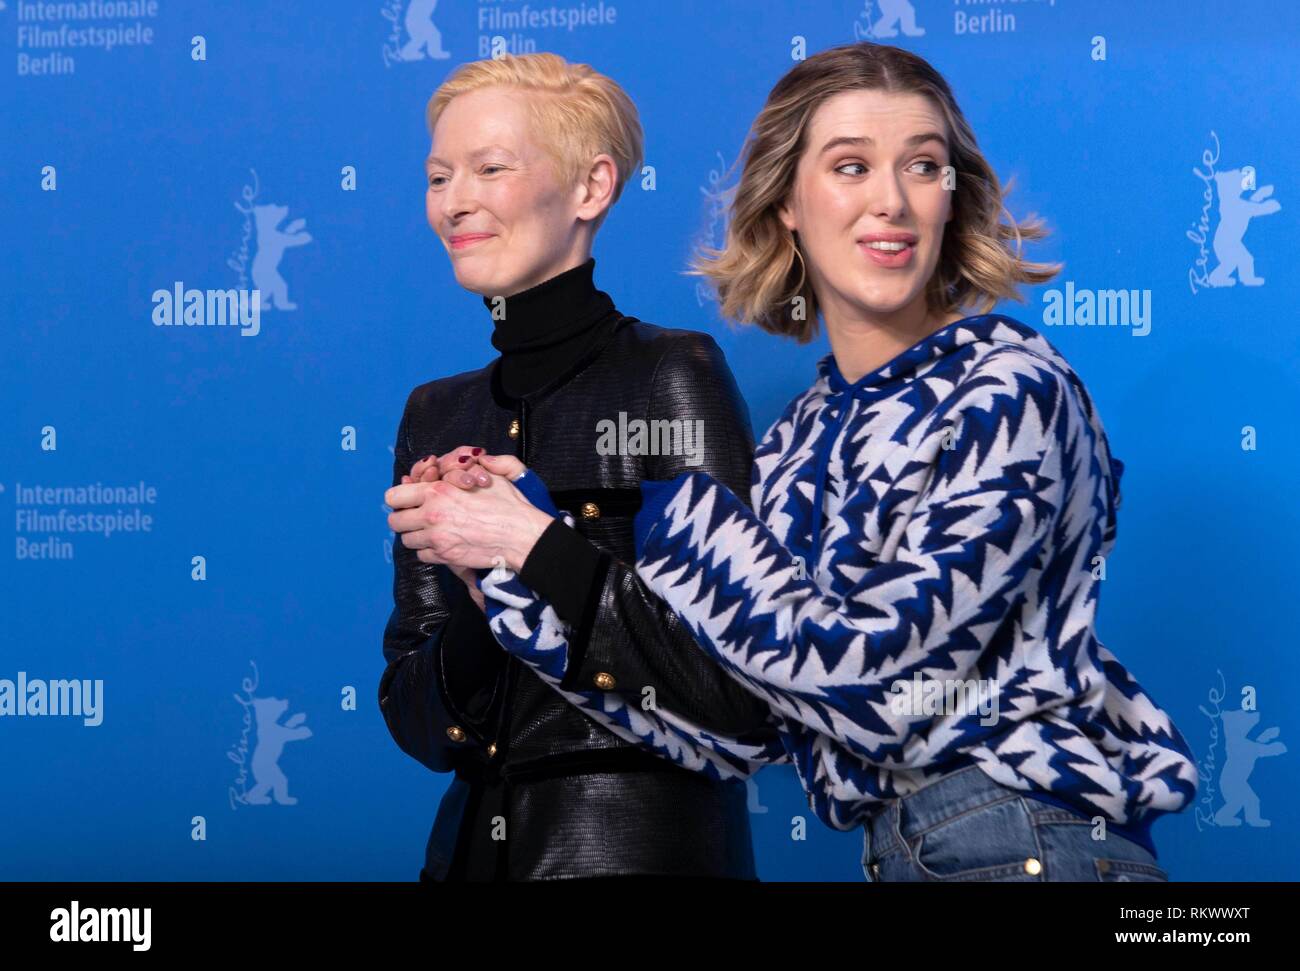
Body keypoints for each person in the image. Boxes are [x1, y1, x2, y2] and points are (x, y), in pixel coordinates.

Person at [420, 42, 1200, 882]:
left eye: (924, 166)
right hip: (908, 851)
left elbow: (882, 688)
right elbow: (742, 725)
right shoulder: (800, 439)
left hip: (1025, 841)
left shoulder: (1010, 389)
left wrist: (641, 530)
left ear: (953, 196)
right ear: (788, 199)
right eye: (851, 167)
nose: (891, 202)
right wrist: (507, 568)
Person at [379, 51, 781, 882]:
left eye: (491, 168)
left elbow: (737, 695)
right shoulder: (436, 415)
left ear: (592, 188)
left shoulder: (674, 375)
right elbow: (420, 723)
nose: (456, 202)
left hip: (641, 853)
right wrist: (483, 585)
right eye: (438, 176)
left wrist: (531, 542)